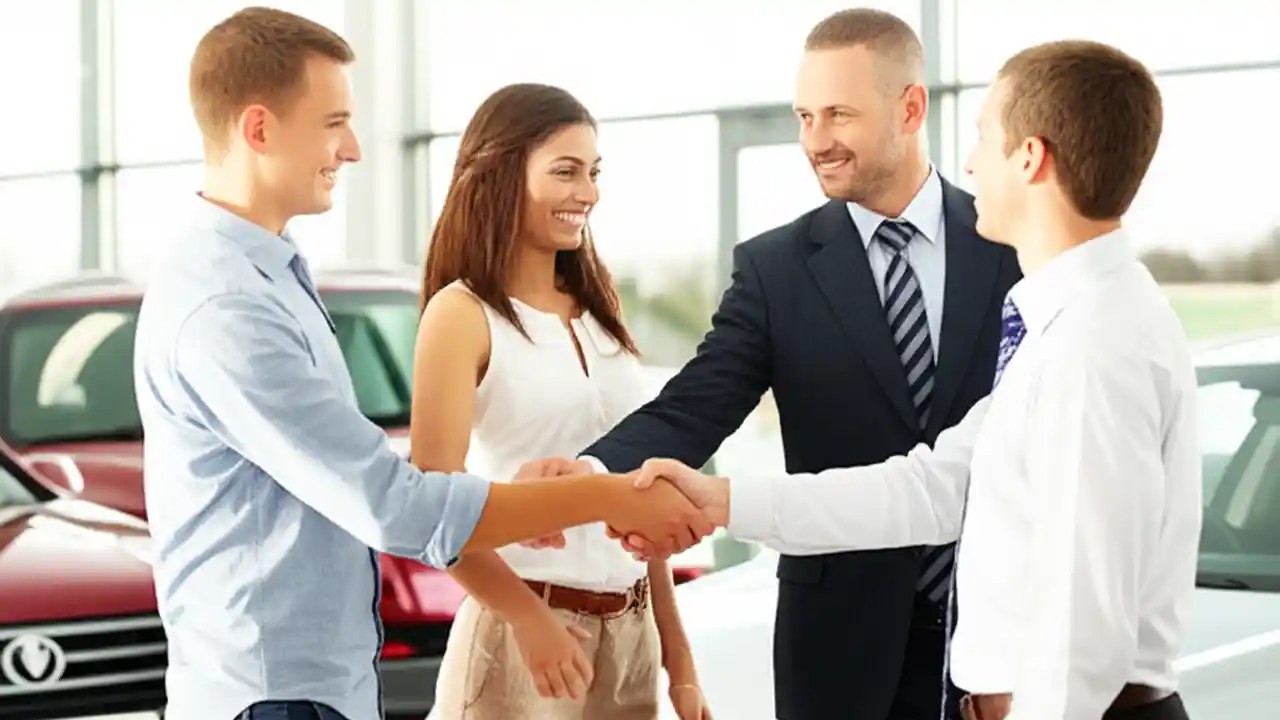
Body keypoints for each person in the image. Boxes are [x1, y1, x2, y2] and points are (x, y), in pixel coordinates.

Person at [132, 9, 710, 720]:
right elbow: (397, 504)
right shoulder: (227, 308)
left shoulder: (273, 277)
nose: (352, 149)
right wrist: (601, 494)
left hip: (318, 686)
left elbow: (354, 470)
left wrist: (534, 495)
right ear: (259, 129)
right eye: (334, 121)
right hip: (276, 697)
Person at [624, 38, 1199, 720]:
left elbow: (1085, 633)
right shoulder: (1068, 327)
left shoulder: (1096, 346)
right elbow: (929, 487)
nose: (969, 159)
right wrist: (719, 500)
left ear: (1030, 158)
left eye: (986, 135)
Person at [552, 9, 1020, 719]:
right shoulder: (775, 270)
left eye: (837, 115)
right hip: (837, 647)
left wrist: (1011, 645)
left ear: (911, 107)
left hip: (994, 639)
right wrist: (586, 478)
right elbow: (695, 405)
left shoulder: (1009, 249)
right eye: (805, 116)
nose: (815, 142)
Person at [412, 83, 710, 720]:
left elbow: (635, 497)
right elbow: (431, 505)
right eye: (566, 172)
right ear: (499, 174)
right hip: (525, 635)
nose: (588, 193)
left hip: (630, 634)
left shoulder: (600, 314)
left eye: (594, 173)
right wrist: (526, 619)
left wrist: (677, 661)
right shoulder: (461, 315)